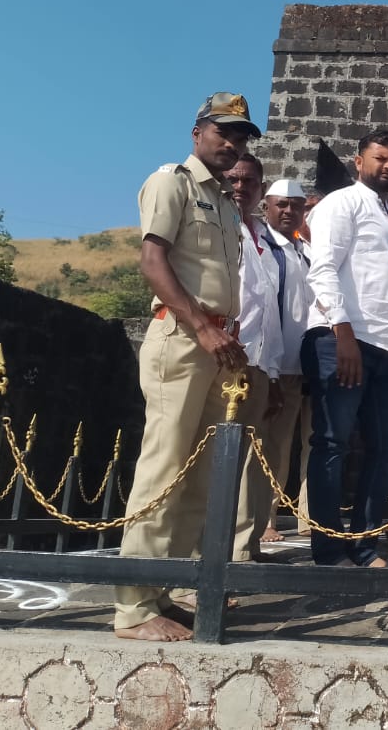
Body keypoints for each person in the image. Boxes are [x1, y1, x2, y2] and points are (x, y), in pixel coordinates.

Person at [114, 92, 256, 642]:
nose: (233, 143)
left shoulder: (224, 200)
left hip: (218, 339)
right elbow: (153, 262)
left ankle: (164, 590)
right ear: (198, 130)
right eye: (225, 131)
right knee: (164, 466)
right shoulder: (172, 182)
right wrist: (201, 326)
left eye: (241, 135)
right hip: (183, 335)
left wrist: (221, 333)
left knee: (199, 477)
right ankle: (133, 606)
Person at [304, 130, 388, 567]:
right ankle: (326, 549)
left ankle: (364, 543)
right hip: (341, 339)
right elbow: (321, 269)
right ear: (359, 161)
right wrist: (342, 334)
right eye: (380, 158)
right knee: (333, 443)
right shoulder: (342, 204)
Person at [223, 154, 284, 563]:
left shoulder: (264, 239)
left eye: (250, 181)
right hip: (227, 355)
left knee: (253, 460)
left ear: (261, 191)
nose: (241, 187)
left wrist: (275, 370)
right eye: (234, 179)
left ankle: (244, 548)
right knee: (221, 456)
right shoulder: (220, 227)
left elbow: (270, 311)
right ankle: (214, 551)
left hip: (261, 361)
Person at [257, 178, 313, 542]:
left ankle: (310, 519)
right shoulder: (262, 248)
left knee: (312, 444)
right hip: (279, 365)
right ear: (268, 207)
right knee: (272, 446)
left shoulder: (305, 252)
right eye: (282, 205)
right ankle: (266, 519)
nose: (289, 211)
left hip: (308, 365)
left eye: (296, 205)